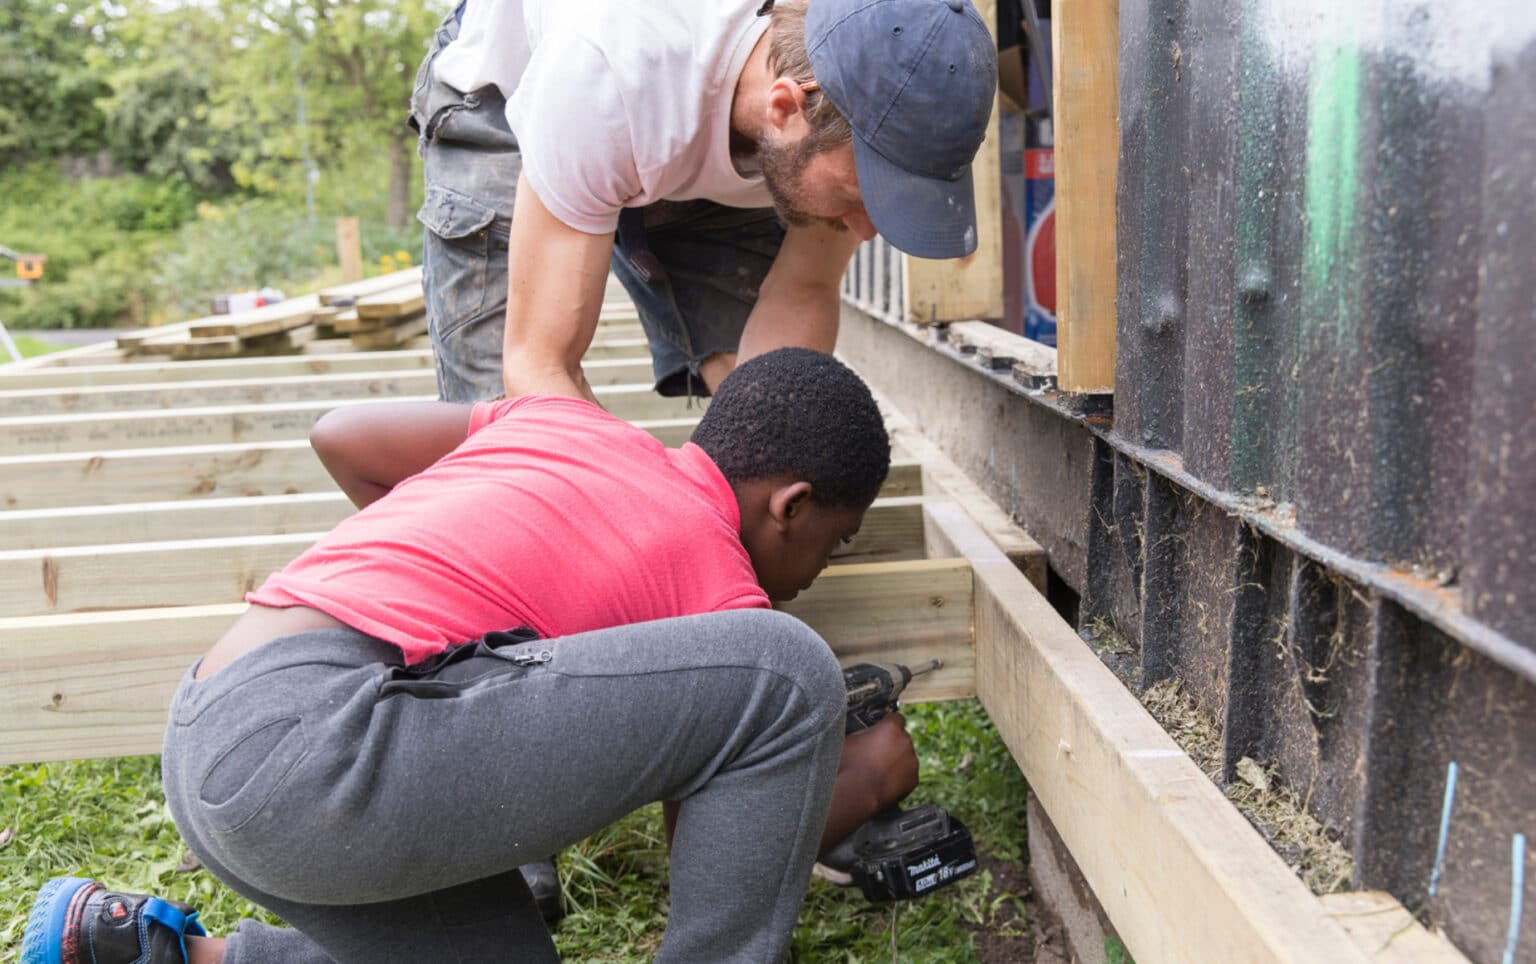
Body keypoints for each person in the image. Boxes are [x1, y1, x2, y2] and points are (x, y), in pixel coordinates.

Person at [21, 348, 919, 964]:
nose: (814, 576)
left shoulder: (565, 427)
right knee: (787, 669)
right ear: (790, 506)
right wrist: (865, 776)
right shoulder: (726, 592)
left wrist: (457, 593)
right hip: (320, 750)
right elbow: (713, 847)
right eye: (833, 546)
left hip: (212, 738)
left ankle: (149, 947)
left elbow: (343, 431)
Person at [409, 0, 998, 403]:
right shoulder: (603, 75)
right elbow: (539, 367)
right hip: (507, 86)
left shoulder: (862, 65)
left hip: (687, 117)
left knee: (770, 409)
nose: (866, 230)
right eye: (861, 195)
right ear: (786, 107)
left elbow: (804, 287)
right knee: (498, 446)